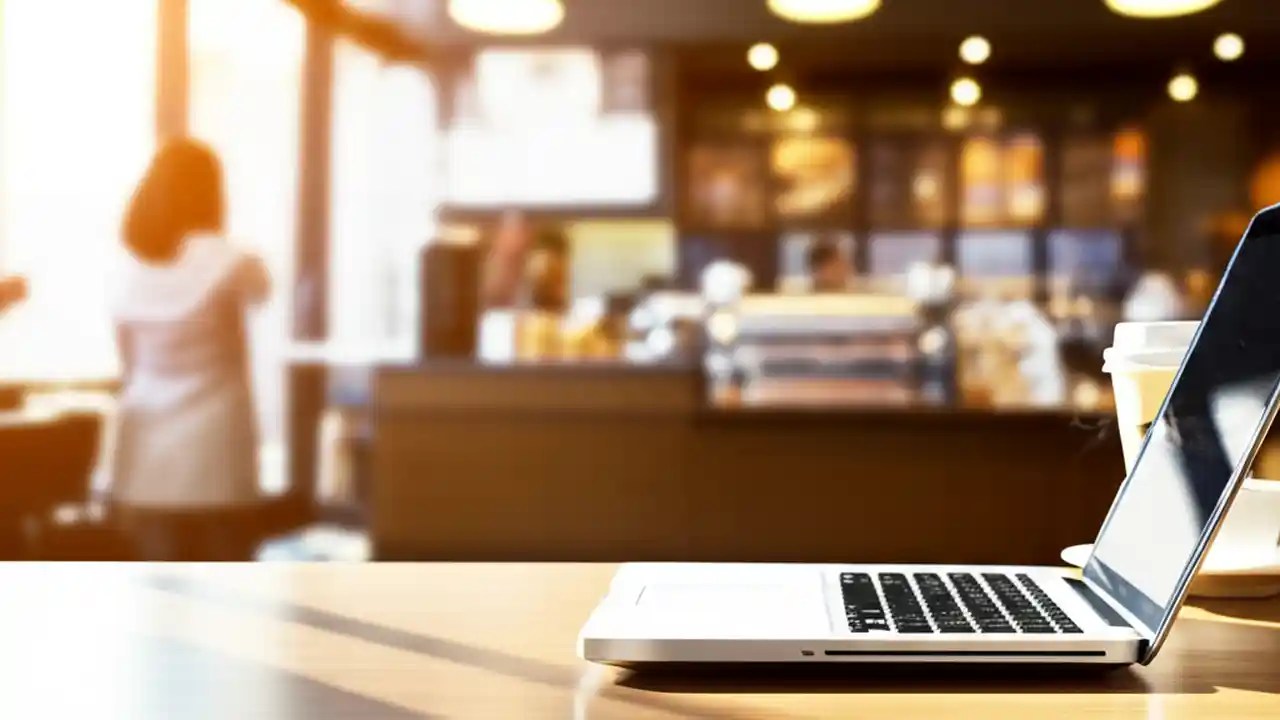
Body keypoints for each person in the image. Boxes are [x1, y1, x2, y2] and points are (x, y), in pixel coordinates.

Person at [110, 138, 270, 561]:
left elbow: (127, 359)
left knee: (159, 591)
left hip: (148, 447)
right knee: (229, 582)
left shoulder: (129, 266)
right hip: (215, 447)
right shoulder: (233, 261)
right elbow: (264, 292)